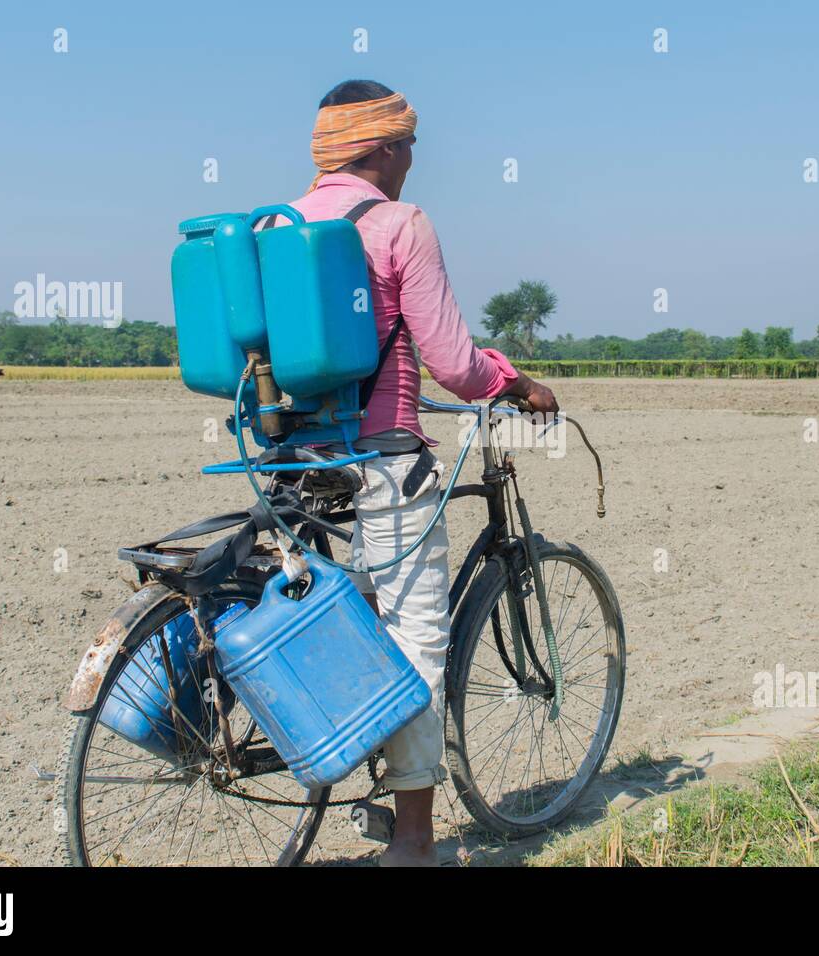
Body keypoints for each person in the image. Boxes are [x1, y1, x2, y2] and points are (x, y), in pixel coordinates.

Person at [274, 79, 558, 866]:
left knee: (321, 616)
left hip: (292, 463)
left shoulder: (275, 226)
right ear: (385, 148)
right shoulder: (400, 223)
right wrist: (516, 383)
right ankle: (414, 839)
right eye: (409, 147)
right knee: (413, 637)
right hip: (382, 464)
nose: (411, 164)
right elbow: (455, 364)